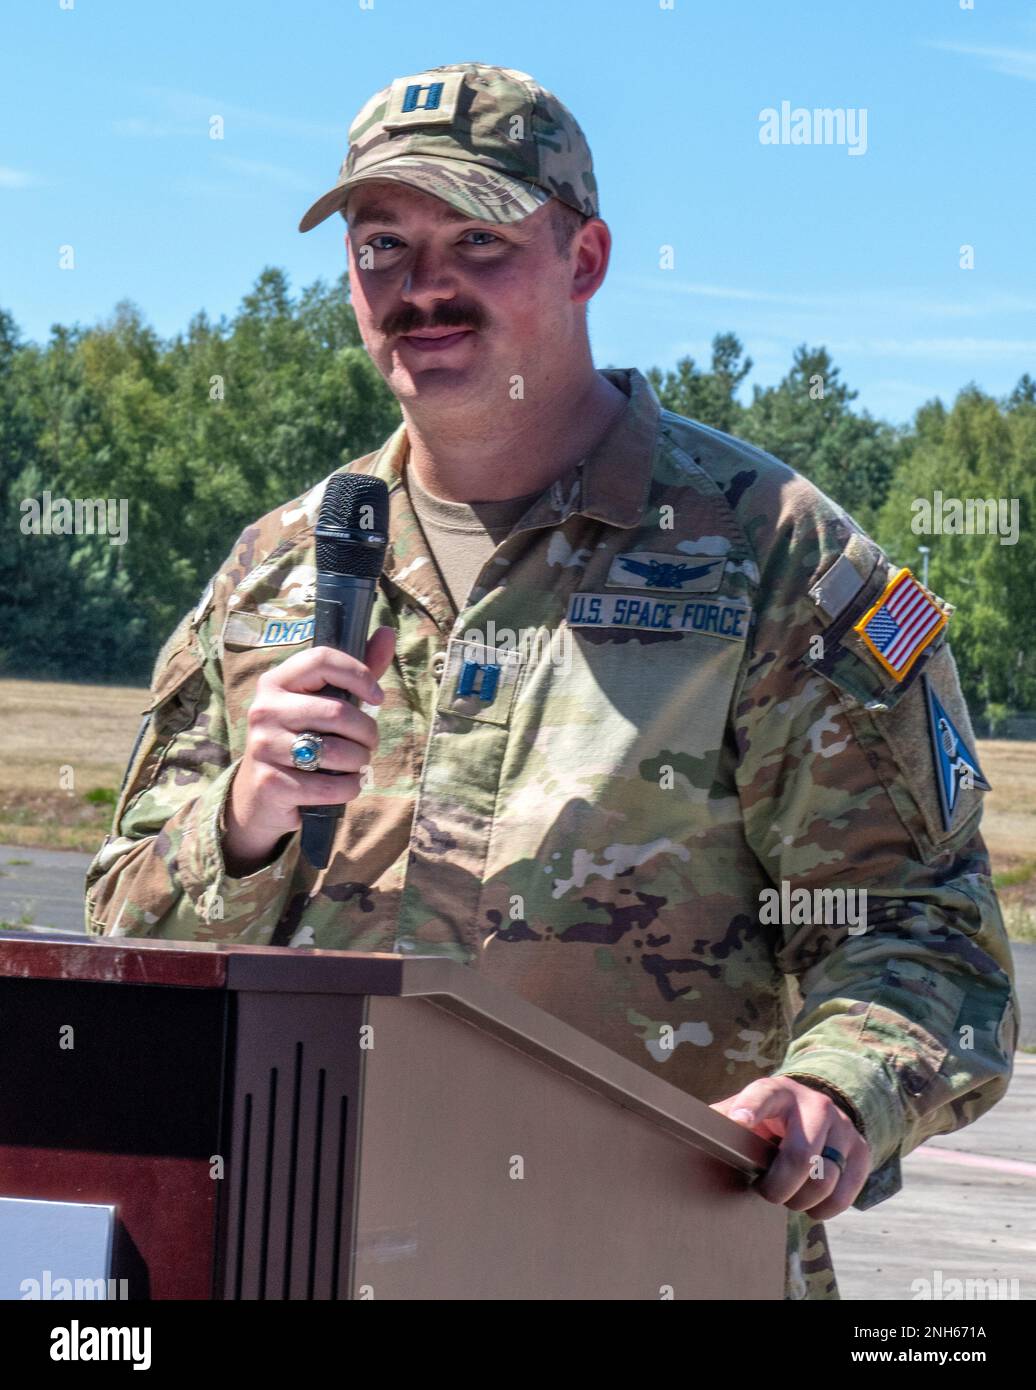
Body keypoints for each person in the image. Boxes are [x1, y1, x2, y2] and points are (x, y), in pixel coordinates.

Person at [85, 62, 1018, 1300]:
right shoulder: (277, 570)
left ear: (585, 260)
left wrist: (833, 1088)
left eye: (477, 238)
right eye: (382, 245)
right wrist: (242, 830)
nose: (423, 287)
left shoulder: (772, 554)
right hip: (310, 1255)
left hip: (648, 1263)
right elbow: (118, 947)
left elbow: (924, 934)